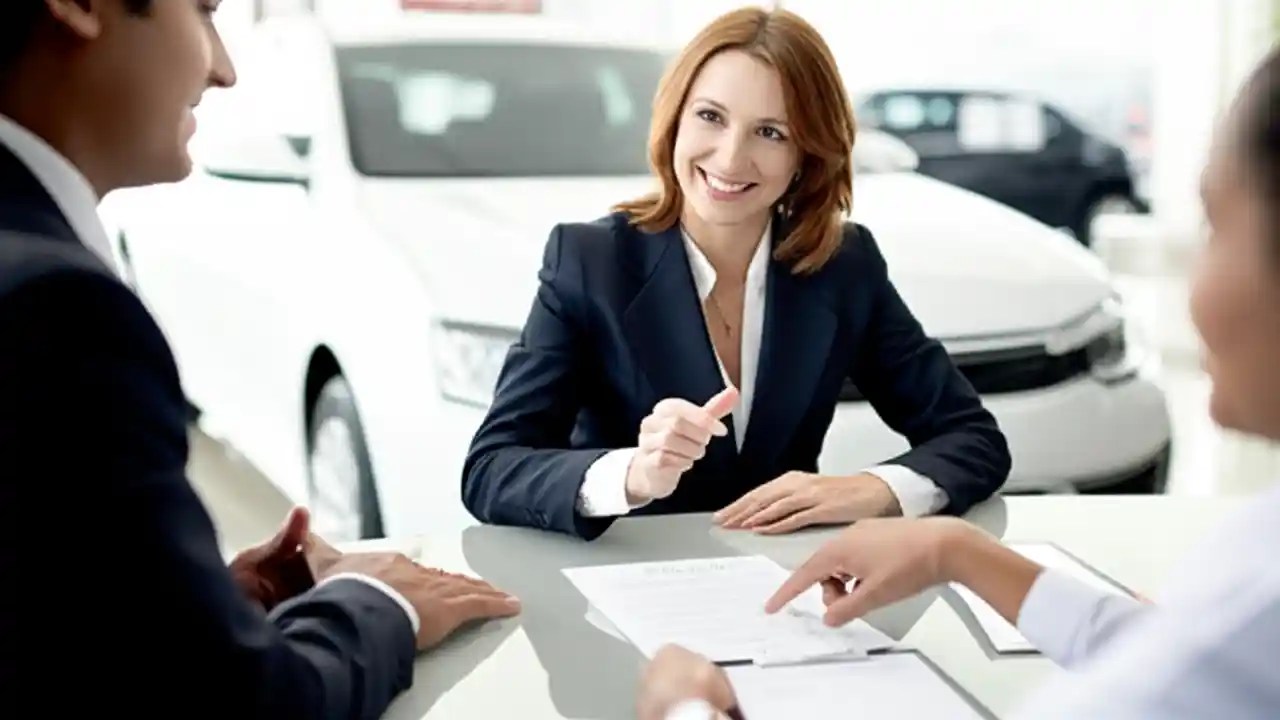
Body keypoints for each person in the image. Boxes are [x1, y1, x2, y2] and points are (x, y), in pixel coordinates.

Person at [638, 44, 1280, 720]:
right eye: (710, 117)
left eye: (1216, 225)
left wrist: (687, 713)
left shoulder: (1255, 600)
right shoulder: (1250, 571)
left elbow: (1190, 669)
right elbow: (1176, 657)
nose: (733, 157)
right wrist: (955, 549)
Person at [0, 2, 519, 716]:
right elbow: (247, 705)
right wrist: (378, 602)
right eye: (204, 12)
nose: (225, 69)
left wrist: (202, 597)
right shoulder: (58, 308)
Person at [461, 7, 1010, 541]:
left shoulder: (843, 265)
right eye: (711, 117)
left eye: (770, 132)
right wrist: (630, 475)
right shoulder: (590, 261)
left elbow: (973, 439)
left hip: (787, 593)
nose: (729, 158)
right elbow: (491, 469)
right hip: (625, 590)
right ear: (674, 119)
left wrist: (873, 489)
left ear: (807, 153)